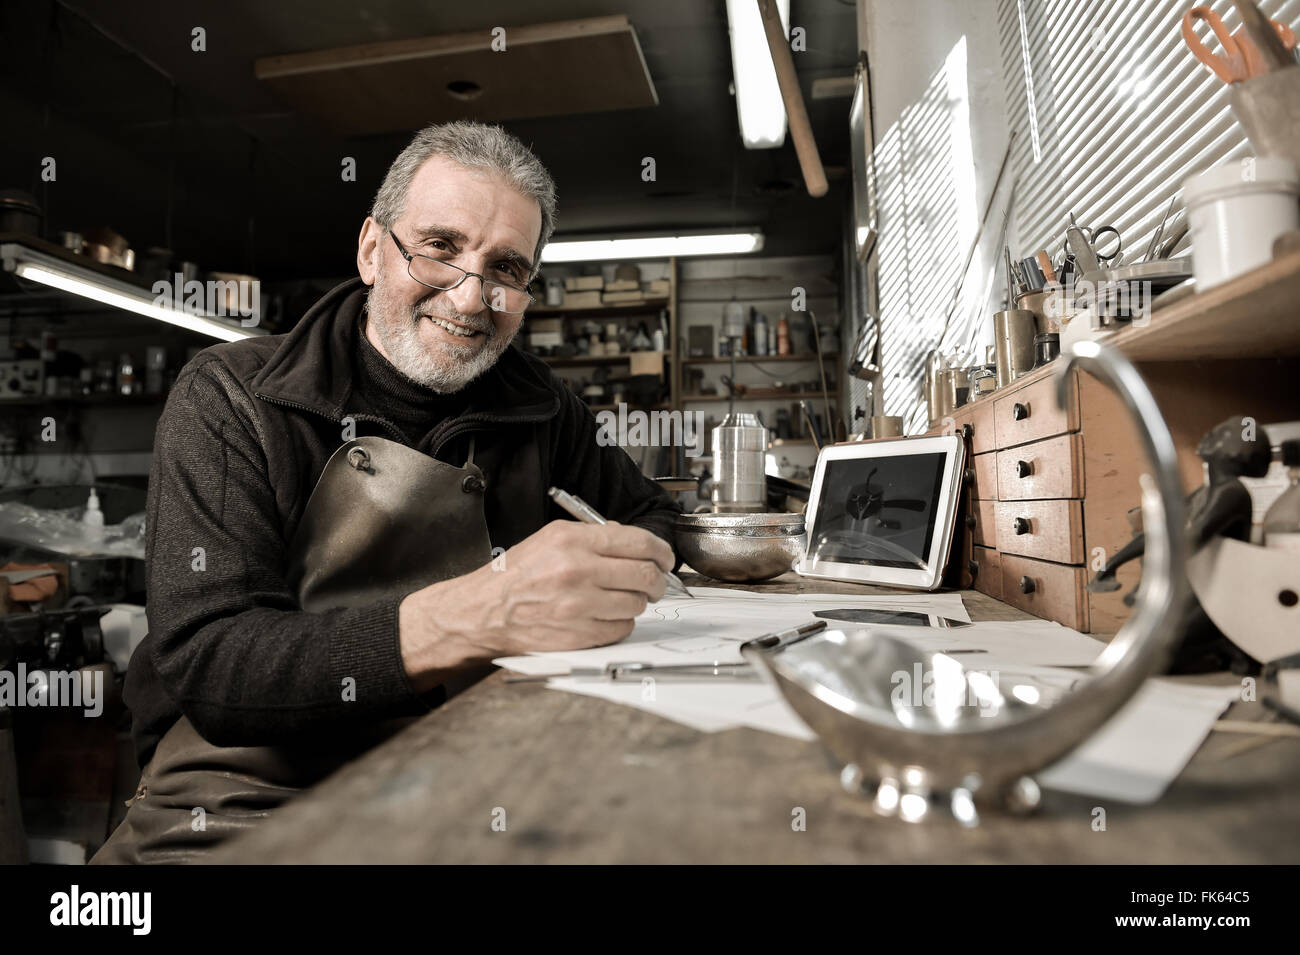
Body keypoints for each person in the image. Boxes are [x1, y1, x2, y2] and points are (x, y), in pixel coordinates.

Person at [92, 121, 680, 863]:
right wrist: (484, 611)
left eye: (507, 268)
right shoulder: (231, 399)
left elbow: (651, 515)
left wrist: (623, 568)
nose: (472, 298)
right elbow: (214, 660)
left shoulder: (543, 408)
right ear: (373, 249)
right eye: (440, 247)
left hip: (463, 777)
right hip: (241, 801)